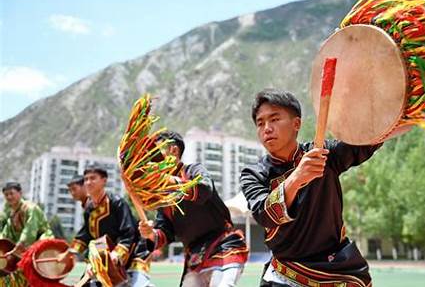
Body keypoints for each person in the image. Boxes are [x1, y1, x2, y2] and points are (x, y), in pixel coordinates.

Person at [240, 89, 382, 287]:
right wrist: (297, 177)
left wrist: (393, 107)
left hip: (337, 271)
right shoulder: (253, 173)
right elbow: (263, 214)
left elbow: (366, 141)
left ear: (296, 124)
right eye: (260, 123)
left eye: (274, 119)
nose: (267, 128)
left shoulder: (325, 154)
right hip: (287, 275)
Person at [139, 130, 248, 287]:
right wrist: (150, 234)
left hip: (223, 244)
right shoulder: (162, 197)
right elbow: (165, 231)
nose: (151, 161)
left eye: (155, 153)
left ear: (173, 150)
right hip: (195, 255)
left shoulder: (193, 171)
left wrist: (170, 181)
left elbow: (205, 189)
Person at [69, 165, 152, 287]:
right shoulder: (89, 210)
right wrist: (71, 252)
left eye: (93, 178)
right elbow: (86, 235)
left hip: (134, 254)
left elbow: (129, 233)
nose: (88, 182)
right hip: (106, 256)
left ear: (104, 181)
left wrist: (117, 254)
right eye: (86, 179)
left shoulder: (117, 203)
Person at [0, 182, 53, 256]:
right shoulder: (12, 214)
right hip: (22, 246)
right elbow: (6, 234)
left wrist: (21, 244)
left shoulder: (30, 208)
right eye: (6, 195)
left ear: (20, 193)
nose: (9, 197)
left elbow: (30, 230)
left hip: (41, 241)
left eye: (11, 193)